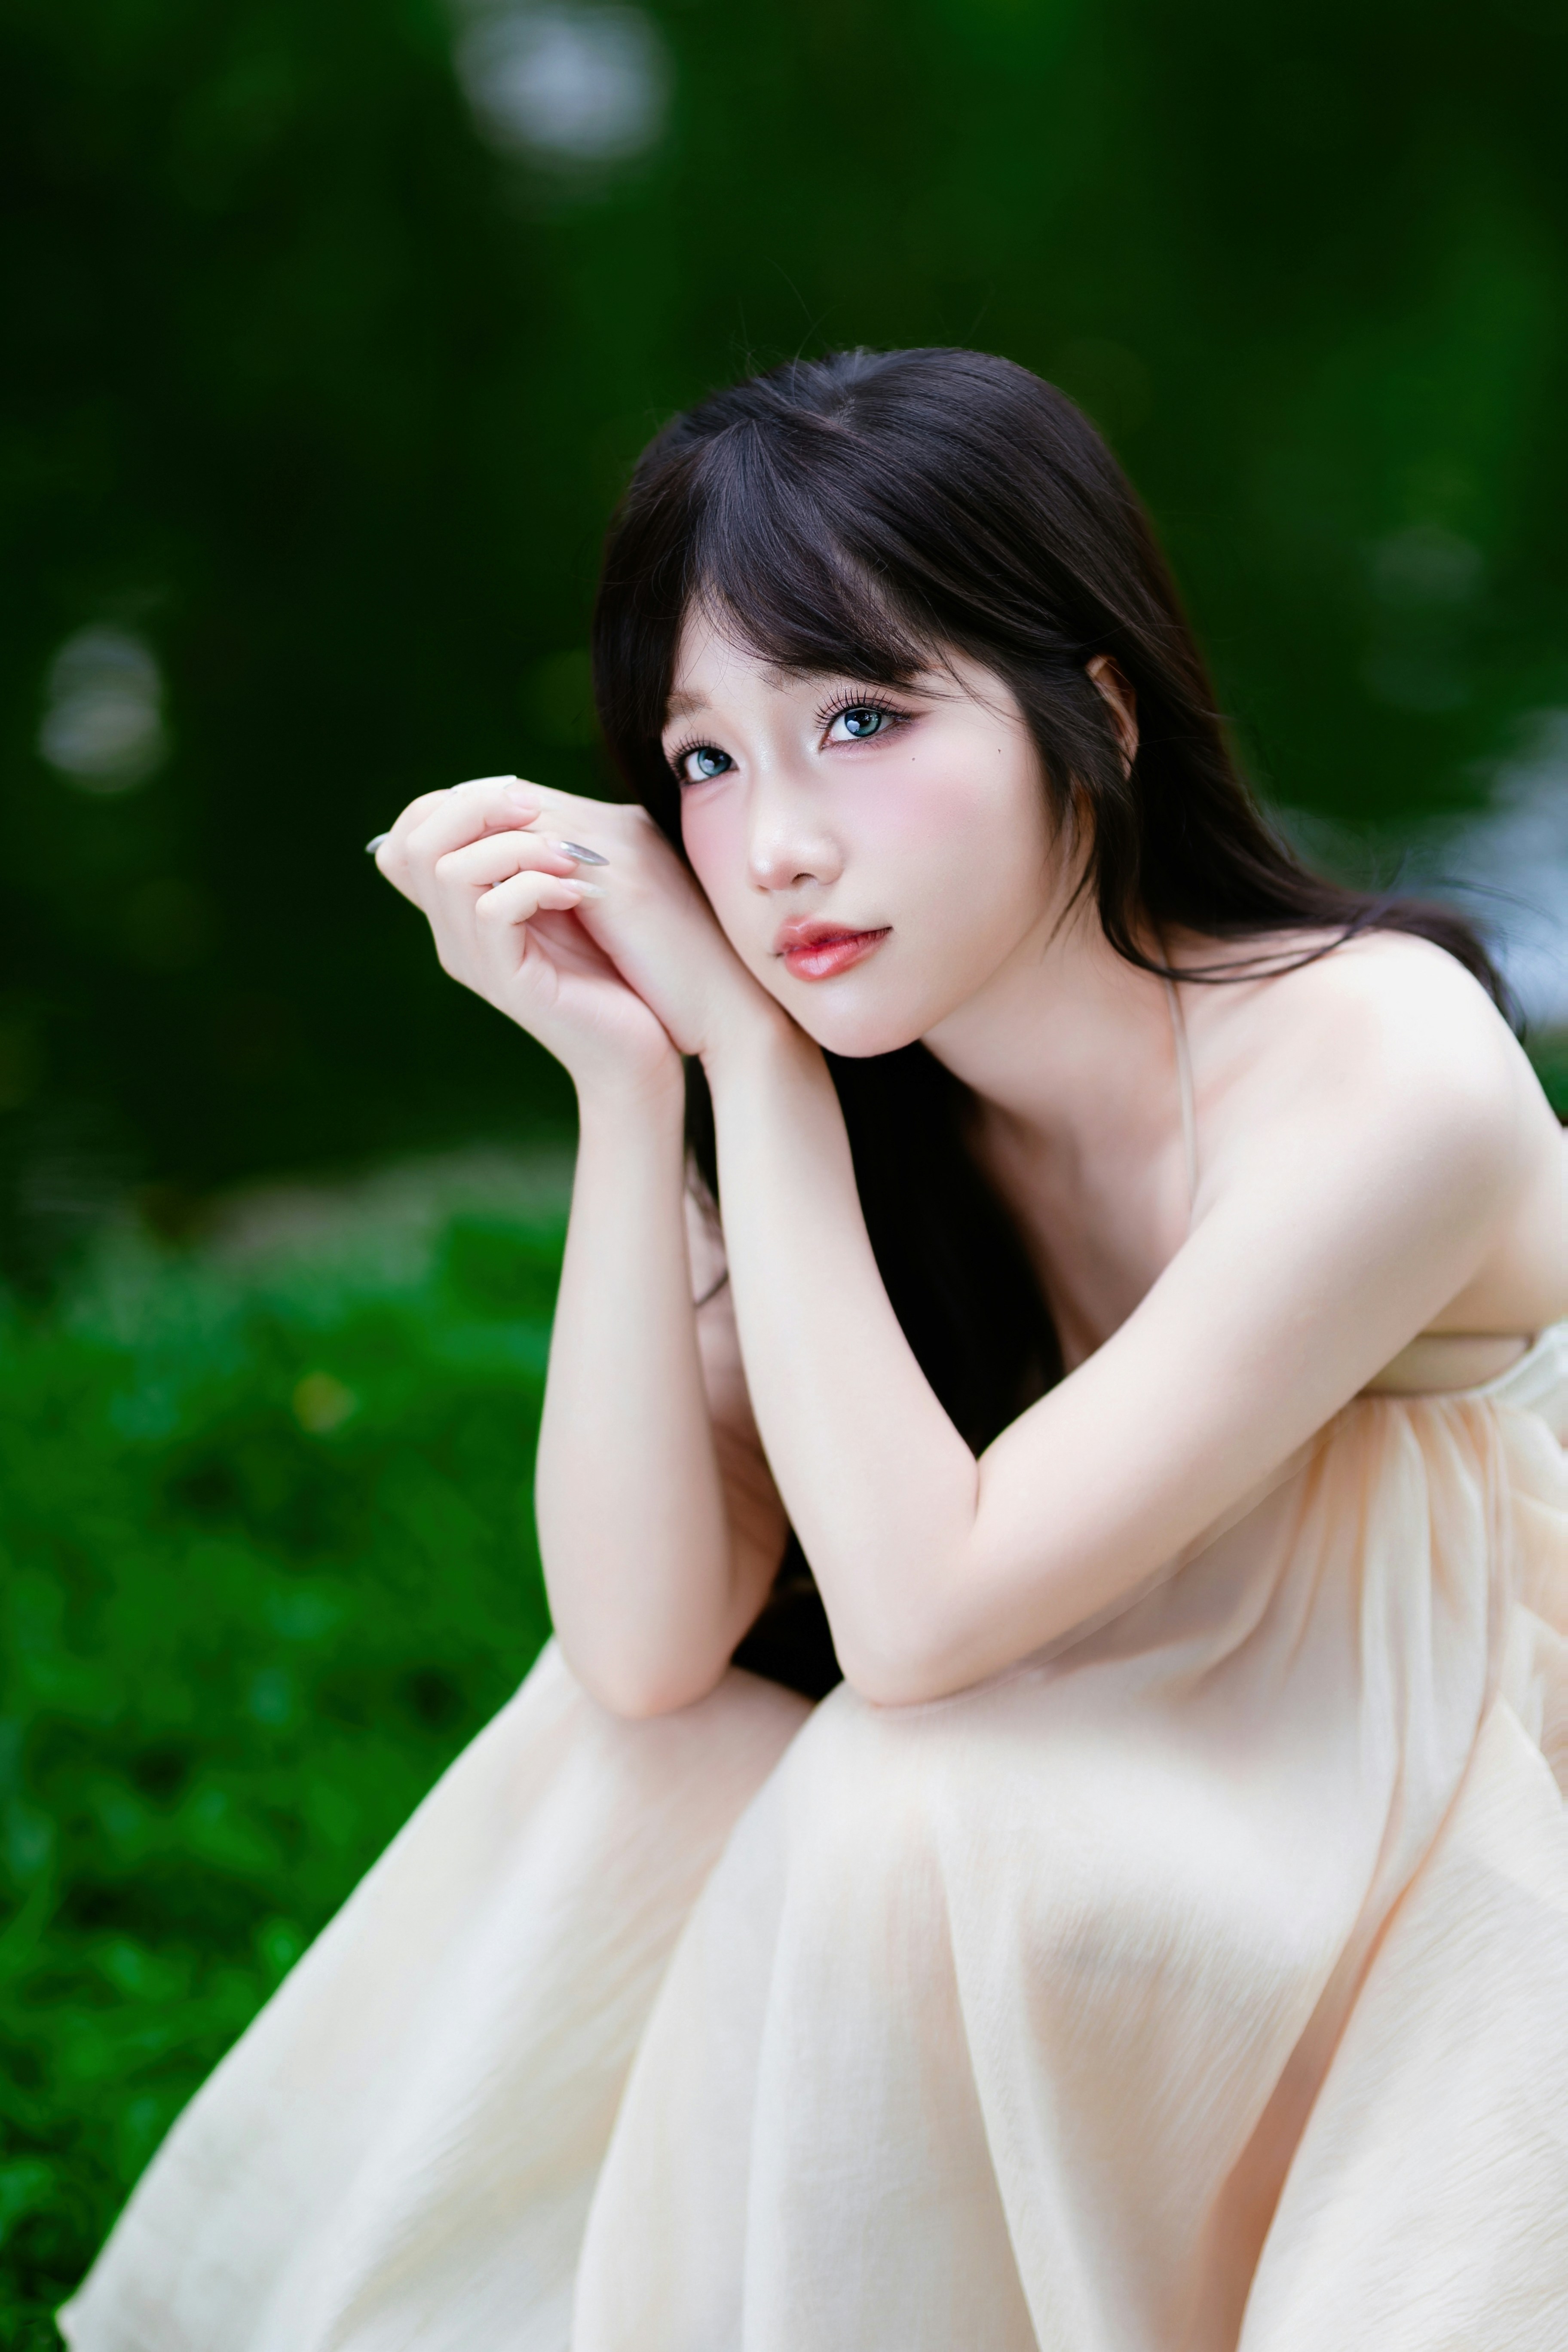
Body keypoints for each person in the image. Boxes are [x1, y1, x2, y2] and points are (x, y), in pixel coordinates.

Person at [61, 349, 1567, 2352]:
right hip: (1178, 1687)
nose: (771, 850)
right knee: (659, 1767)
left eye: (860, 717)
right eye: (706, 759)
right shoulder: (877, 1098)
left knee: (895, 1792)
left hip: (1467, 1745)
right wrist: (630, 1083)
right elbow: (641, 1649)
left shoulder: (1384, 1062)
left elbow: (924, 1617)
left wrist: (754, 1054)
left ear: (1089, 711)